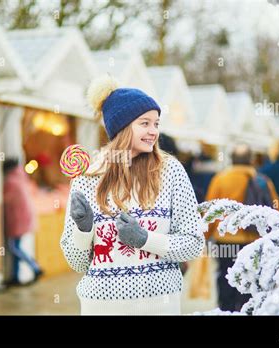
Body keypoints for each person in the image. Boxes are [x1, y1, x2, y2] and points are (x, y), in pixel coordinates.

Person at [60, 75, 205, 315]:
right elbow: (77, 262)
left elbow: (193, 244)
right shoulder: (87, 177)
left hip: (159, 306)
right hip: (101, 307)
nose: (153, 132)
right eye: (144, 123)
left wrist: (145, 239)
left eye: (156, 124)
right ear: (122, 127)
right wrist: (82, 230)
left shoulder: (169, 171)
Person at [205, 143, 279, 311]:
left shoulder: (220, 178)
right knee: (250, 280)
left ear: (232, 158)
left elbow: (210, 213)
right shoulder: (263, 181)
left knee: (225, 277)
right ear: (251, 160)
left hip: (226, 240)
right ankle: (246, 309)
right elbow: (277, 208)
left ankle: (226, 310)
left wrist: (204, 237)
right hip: (253, 242)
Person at [3, 158, 43, 284]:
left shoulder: (11, 181)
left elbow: (5, 199)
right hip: (24, 217)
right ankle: (15, 276)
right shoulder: (21, 178)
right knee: (16, 246)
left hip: (18, 218)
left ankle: (35, 267)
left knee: (13, 247)